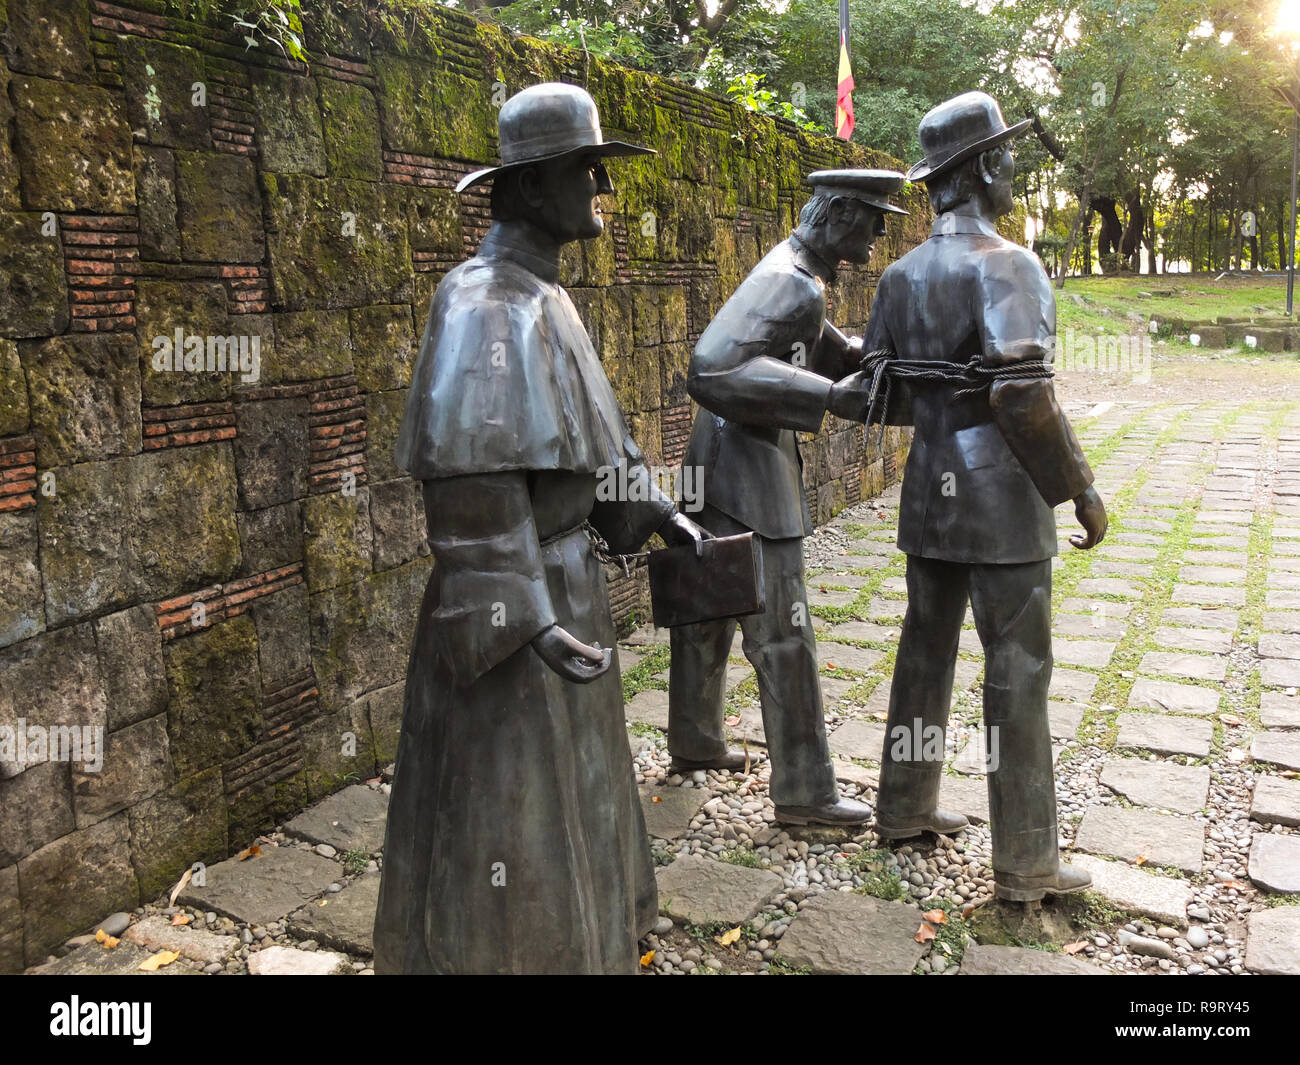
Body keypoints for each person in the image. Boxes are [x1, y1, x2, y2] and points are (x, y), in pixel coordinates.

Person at [372, 83, 710, 973]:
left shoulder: (544, 296)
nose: (601, 183)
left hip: (564, 586)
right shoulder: (482, 301)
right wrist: (519, 611)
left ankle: (593, 941)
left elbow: (588, 446)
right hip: (520, 606)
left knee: (579, 784)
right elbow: (473, 479)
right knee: (512, 806)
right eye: (584, 167)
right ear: (527, 189)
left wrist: (657, 510)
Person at [857, 92, 1107, 901]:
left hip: (930, 491)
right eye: (1005, 156)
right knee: (1017, 666)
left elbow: (881, 394)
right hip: (999, 497)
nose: (1013, 169)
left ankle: (903, 805)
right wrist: (1078, 486)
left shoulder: (899, 276)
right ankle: (1028, 861)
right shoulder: (1009, 263)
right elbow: (1023, 397)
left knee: (923, 651)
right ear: (985, 168)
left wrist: (940, 391)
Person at [666, 170, 908, 827]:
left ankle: (694, 740)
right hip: (746, 476)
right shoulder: (792, 281)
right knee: (784, 632)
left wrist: (867, 358)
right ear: (834, 214)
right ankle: (805, 789)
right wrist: (829, 395)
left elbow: (810, 344)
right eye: (871, 218)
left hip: (714, 466)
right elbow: (709, 368)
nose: (881, 232)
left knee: (706, 612)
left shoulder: (799, 274)